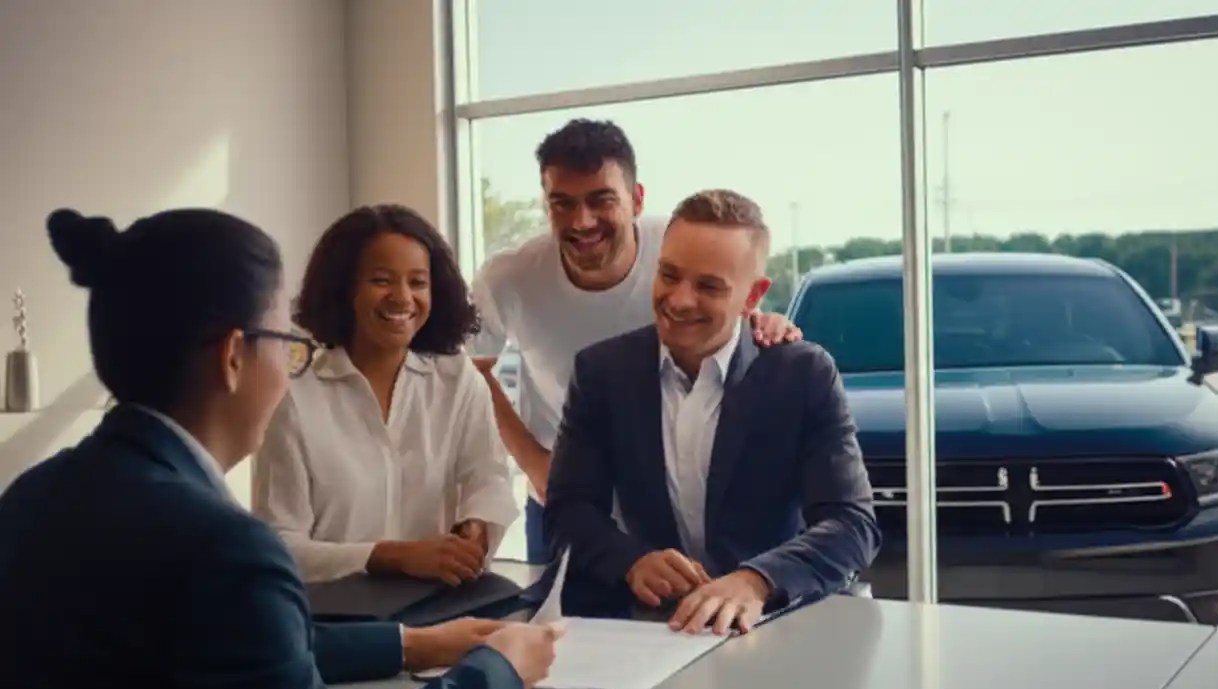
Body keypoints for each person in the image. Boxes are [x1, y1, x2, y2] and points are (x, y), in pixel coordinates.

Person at [0, 208, 557, 689]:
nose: (297, 357)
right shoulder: (225, 552)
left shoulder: (29, 499)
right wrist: (497, 674)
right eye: (286, 342)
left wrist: (415, 644)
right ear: (234, 357)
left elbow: (237, 638)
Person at [543, 190, 881, 634]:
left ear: (753, 295)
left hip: (774, 626)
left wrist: (757, 580)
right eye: (669, 275)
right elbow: (568, 510)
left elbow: (852, 524)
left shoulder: (802, 374)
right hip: (653, 628)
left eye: (708, 286)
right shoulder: (601, 372)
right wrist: (630, 562)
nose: (680, 300)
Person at [472, 119, 801, 563]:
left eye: (600, 200)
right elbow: (472, 371)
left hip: (668, 500)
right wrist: (535, 463)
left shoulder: (677, 246)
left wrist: (767, 322)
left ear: (637, 200)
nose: (581, 221)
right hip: (569, 501)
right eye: (562, 203)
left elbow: (733, 299)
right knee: (559, 626)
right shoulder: (508, 277)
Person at [253, 205, 517, 584]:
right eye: (381, 280)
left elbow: (488, 477)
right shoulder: (295, 396)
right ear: (346, 290)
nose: (402, 298)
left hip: (438, 609)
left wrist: (476, 526)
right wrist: (390, 556)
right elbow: (279, 546)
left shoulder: (457, 379)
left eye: (418, 282)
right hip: (334, 622)